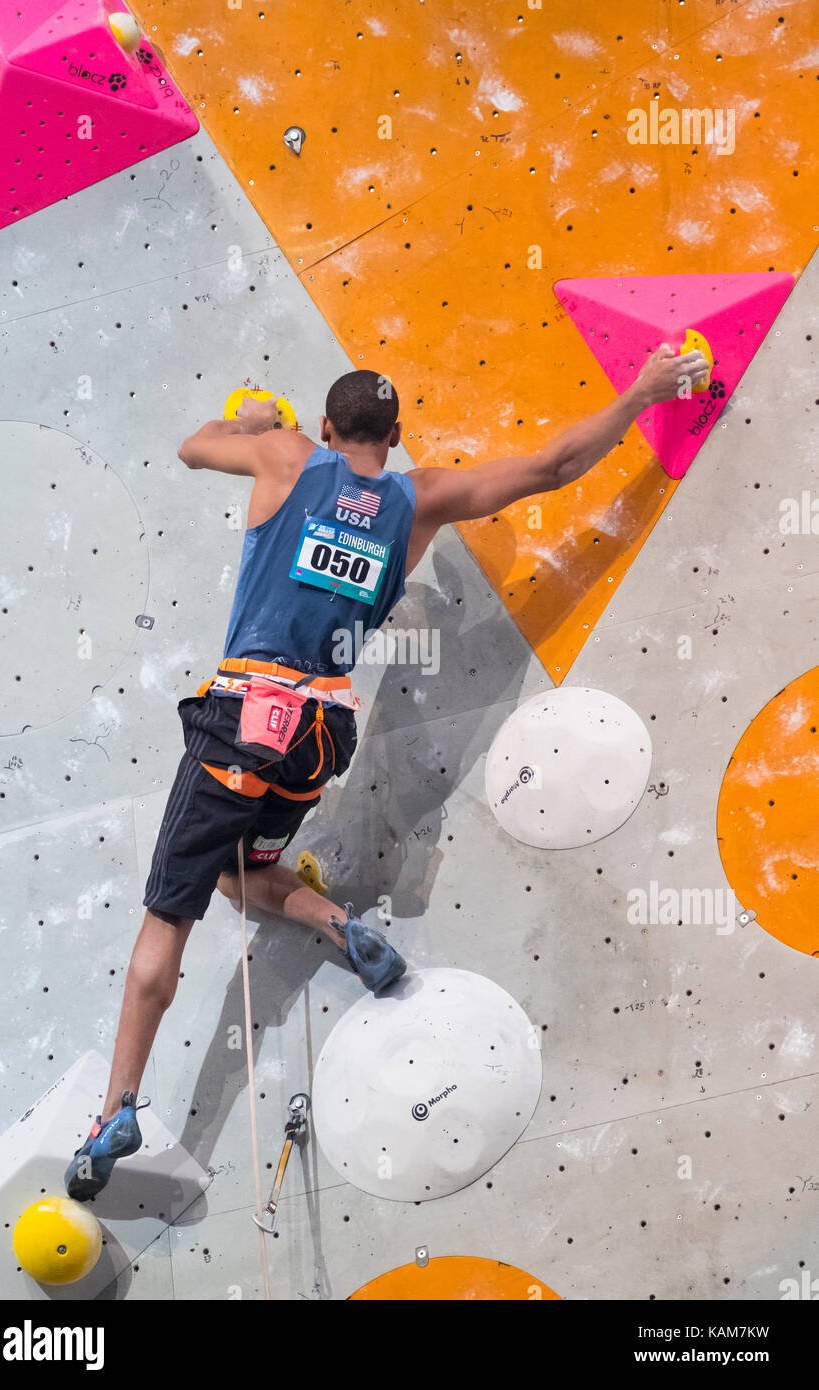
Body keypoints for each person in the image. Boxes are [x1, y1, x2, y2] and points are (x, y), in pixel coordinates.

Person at [65, 346, 709, 1198]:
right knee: (239, 869)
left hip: (241, 719)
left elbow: (192, 447)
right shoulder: (420, 500)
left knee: (166, 918)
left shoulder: (283, 455)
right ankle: (338, 924)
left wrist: (248, 421)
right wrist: (643, 392)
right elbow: (552, 466)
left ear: (325, 428)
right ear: (396, 435)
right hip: (319, 734)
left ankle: (117, 1109)